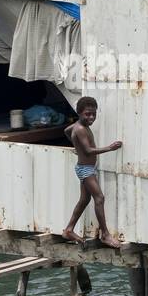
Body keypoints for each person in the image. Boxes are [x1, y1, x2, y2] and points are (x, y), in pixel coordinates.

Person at [62, 97, 122, 249]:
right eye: (87, 114)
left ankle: (68, 230)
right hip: (85, 170)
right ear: (79, 113)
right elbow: (88, 151)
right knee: (99, 198)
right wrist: (110, 148)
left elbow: (66, 131)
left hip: (87, 168)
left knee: (84, 200)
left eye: (93, 114)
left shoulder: (77, 126)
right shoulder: (81, 129)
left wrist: (76, 145)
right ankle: (105, 235)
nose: (91, 117)